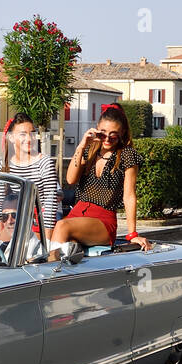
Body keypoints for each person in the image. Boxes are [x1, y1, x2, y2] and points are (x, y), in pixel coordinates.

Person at [50, 103, 149, 259]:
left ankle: (50, 276)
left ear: (122, 133)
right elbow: (70, 179)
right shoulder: (90, 150)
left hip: (102, 220)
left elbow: (129, 196)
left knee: (61, 226)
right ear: (96, 129)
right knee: (51, 238)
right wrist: (82, 145)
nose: (108, 139)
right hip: (77, 214)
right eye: (103, 134)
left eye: (113, 134)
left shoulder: (126, 155)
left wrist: (133, 234)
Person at [0, 112, 60, 236]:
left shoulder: (44, 162)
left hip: (39, 220)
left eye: (32, 133)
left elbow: (50, 204)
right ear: (11, 138)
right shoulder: (4, 165)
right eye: (22, 134)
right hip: (15, 220)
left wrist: (45, 241)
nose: (29, 138)